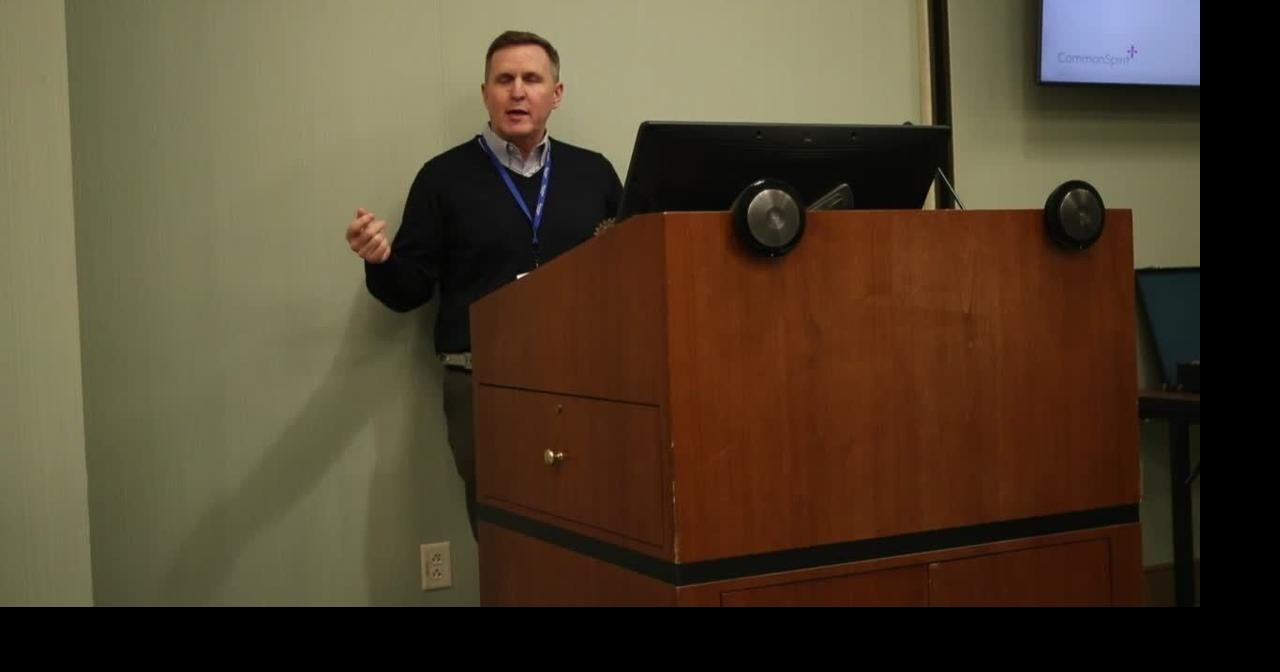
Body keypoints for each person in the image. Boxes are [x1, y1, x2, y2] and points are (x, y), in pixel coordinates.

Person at [344, 30, 622, 537]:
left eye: (532, 79)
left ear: (555, 94)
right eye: (505, 79)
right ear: (486, 93)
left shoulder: (594, 174)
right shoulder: (443, 178)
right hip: (482, 385)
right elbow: (408, 292)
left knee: (594, 536)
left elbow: (630, 274)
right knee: (505, 541)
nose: (518, 91)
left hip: (587, 383)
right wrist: (380, 260)